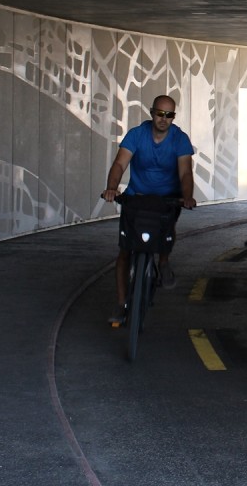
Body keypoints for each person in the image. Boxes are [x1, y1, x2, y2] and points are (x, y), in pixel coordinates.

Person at [102, 95, 197, 325]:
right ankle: (122, 303)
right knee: (125, 251)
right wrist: (112, 188)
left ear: (173, 117)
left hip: (167, 199)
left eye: (169, 115)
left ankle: (163, 262)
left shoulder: (180, 139)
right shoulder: (136, 135)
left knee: (166, 230)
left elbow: (185, 172)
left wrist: (187, 196)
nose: (164, 119)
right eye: (160, 113)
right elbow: (119, 164)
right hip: (138, 197)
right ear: (152, 112)